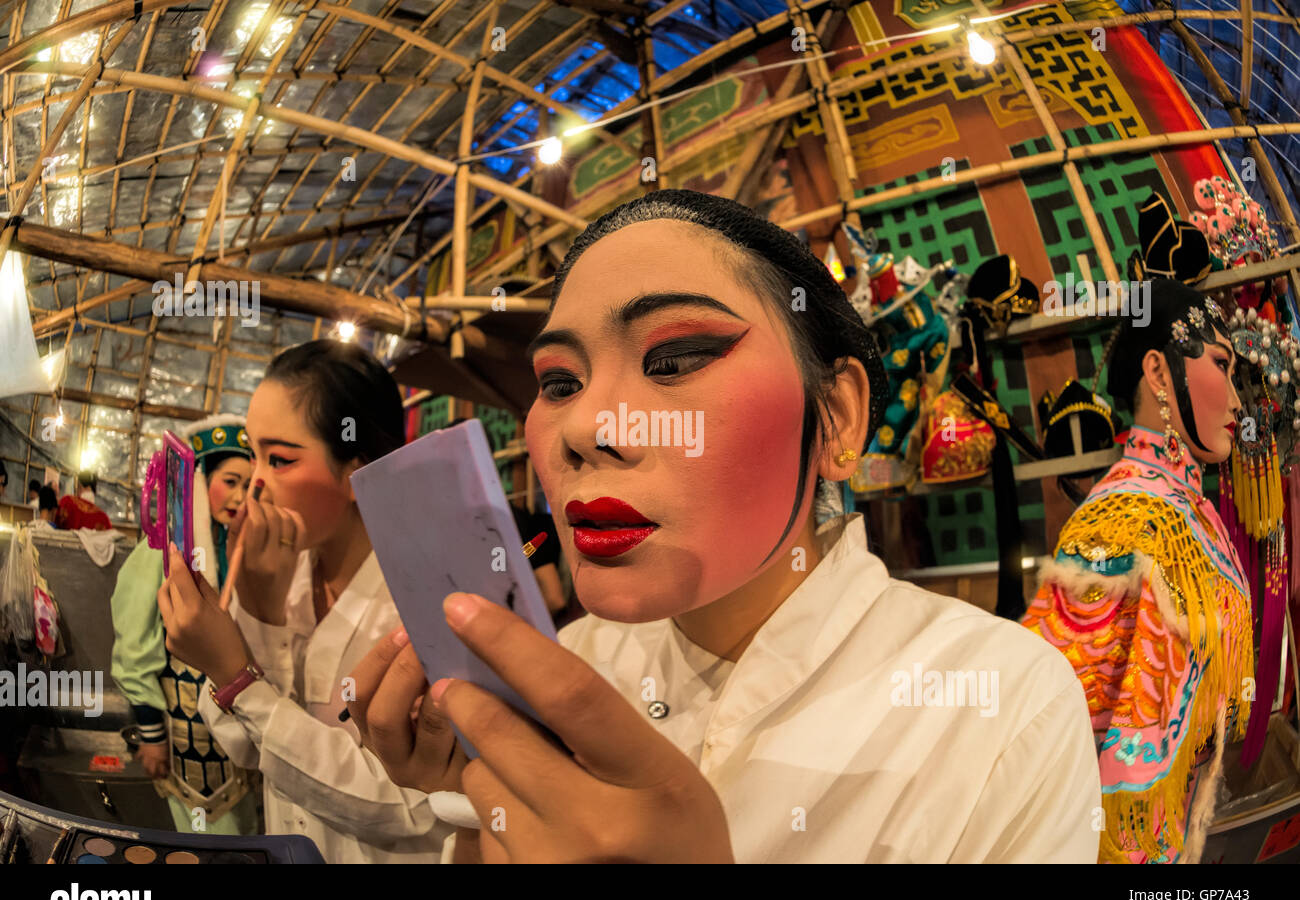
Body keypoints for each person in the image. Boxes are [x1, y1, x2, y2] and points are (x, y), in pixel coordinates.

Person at [346, 189, 1101, 863]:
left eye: (673, 359)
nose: (582, 426)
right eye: (560, 382)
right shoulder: (559, 674)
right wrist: (484, 797)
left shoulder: (999, 705)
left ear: (835, 417)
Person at [158, 340, 452, 863]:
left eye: (280, 460)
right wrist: (261, 615)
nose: (255, 487)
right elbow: (245, 748)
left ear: (358, 472)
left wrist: (239, 679)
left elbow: (413, 809)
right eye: (252, 457)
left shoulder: (426, 603)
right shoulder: (284, 575)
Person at [1022, 279, 1251, 864]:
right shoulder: (1121, 521)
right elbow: (1080, 747)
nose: (1239, 400)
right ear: (1158, 372)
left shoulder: (1185, 505)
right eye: (1221, 364)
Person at [110, 415, 258, 835]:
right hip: (186, 750)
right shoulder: (158, 554)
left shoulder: (241, 551)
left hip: (243, 752)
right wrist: (152, 735)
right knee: (199, 847)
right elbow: (134, 653)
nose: (239, 496)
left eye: (248, 485)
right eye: (229, 481)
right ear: (197, 480)